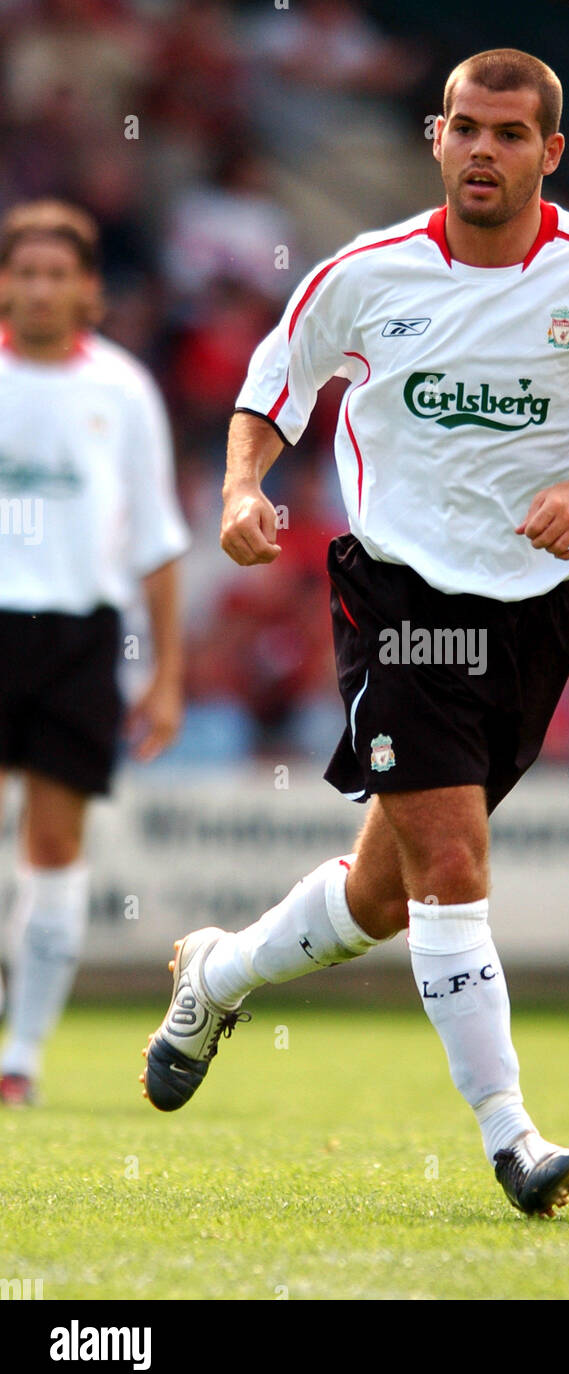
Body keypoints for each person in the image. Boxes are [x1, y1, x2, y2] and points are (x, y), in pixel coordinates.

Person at [142, 48, 569, 1217]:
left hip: (533, 610)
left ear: (549, 152)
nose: (483, 150)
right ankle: (514, 1139)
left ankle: (218, 971)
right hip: (397, 596)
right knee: (452, 864)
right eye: (464, 128)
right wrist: (245, 489)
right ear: (433, 138)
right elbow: (268, 389)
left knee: (386, 894)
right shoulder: (362, 274)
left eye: (509, 133)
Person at [0, 200, 189, 1106]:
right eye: (23, 271)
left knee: (53, 846)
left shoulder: (121, 388)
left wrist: (166, 675)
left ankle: (21, 1058)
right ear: (6, 283)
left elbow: (157, 538)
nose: (38, 288)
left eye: (55, 273)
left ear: (87, 290)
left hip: (79, 636)